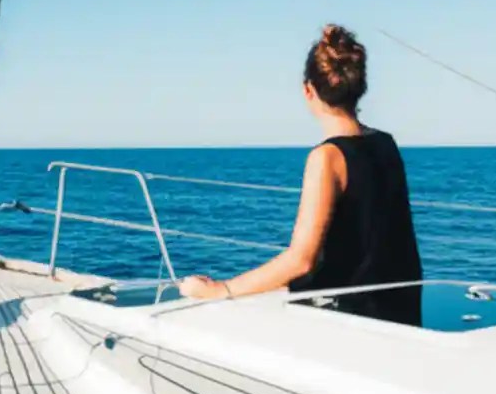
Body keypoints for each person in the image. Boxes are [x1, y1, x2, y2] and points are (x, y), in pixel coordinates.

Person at [177, 24, 423, 325]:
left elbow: (301, 260)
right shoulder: (386, 144)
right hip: (399, 315)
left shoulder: (327, 158)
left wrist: (221, 290)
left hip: (352, 324)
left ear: (309, 90)